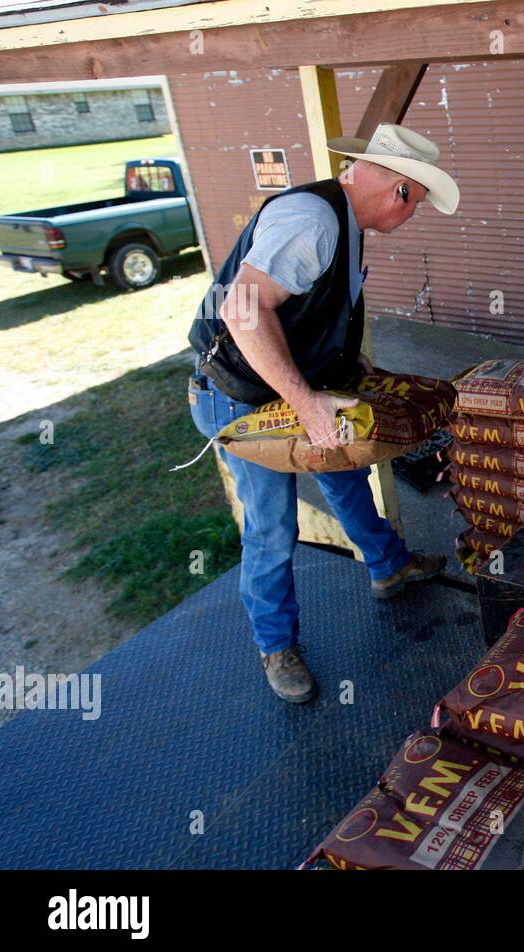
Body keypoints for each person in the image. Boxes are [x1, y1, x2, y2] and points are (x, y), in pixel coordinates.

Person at [186, 124, 460, 704]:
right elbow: (243, 309)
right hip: (239, 392)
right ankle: (276, 645)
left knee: (345, 476)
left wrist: (343, 358)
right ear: (401, 192)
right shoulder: (312, 219)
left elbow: (312, 306)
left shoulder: (347, 224)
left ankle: (388, 568)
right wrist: (306, 404)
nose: (415, 216)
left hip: (297, 379)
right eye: (419, 205)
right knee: (271, 525)